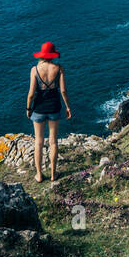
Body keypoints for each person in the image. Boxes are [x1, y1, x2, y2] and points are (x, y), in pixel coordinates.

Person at [26, 41, 72, 182]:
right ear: (52, 54)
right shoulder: (59, 68)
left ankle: (39, 175)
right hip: (54, 107)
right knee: (53, 142)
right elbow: (63, 90)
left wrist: (28, 108)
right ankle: (53, 174)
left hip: (39, 108)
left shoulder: (34, 70)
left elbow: (31, 93)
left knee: (38, 142)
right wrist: (68, 107)